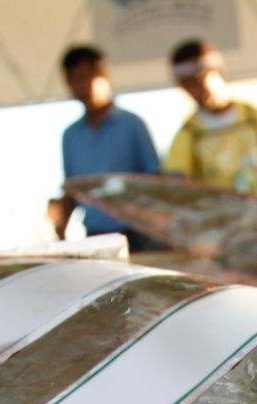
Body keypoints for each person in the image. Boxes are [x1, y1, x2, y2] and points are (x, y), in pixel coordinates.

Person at [50, 44, 162, 250]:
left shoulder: (132, 125)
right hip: (94, 236)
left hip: (138, 235)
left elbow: (156, 182)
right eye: (74, 79)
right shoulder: (70, 136)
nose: (81, 86)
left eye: (85, 77)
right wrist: (60, 233)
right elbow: (71, 190)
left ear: (104, 76)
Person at [164, 38, 257, 195]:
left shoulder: (255, 117)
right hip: (218, 211)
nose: (196, 91)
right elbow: (176, 187)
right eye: (187, 85)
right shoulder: (188, 133)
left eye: (199, 80)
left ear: (219, 71)